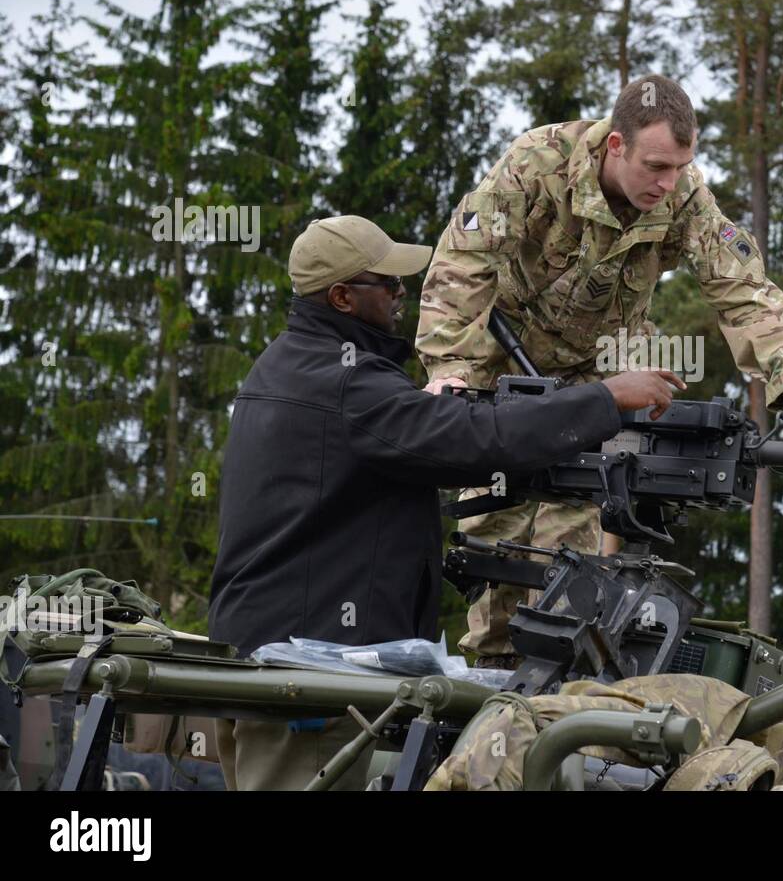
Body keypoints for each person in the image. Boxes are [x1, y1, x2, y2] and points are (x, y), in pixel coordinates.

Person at [208, 214, 683, 790]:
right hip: (309, 672)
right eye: (388, 285)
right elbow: (477, 443)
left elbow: (406, 435)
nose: (401, 295)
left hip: (261, 656)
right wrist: (605, 399)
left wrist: (426, 407)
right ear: (341, 297)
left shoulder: (286, 365)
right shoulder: (348, 386)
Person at [416, 74, 783, 669]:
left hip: (599, 381)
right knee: (497, 538)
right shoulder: (537, 163)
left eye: (681, 166)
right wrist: (450, 370)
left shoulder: (684, 196)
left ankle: (547, 690)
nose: (669, 183)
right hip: (504, 373)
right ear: (616, 146)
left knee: (566, 556)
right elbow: (462, 263)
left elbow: (742, 288)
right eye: (657, 165)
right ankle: (486, 689)